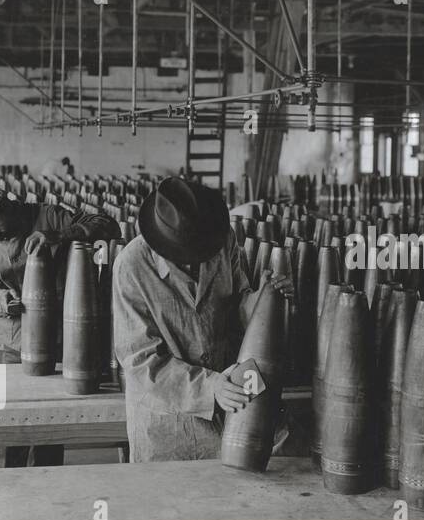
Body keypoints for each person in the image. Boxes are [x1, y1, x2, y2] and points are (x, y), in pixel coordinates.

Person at [112, 177, 294, 462]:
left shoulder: (221, 241)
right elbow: (140, 360)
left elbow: (236, 306)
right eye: (183, 255)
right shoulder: (131, 266)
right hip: (165, 424)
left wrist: (262, 300)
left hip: (228, 409)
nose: (194, 262)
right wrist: (211, 387)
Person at [0, 183, 120, 466]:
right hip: (18, 340)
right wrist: (2, 301)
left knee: (50, 423)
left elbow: (108, 225)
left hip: (62, 338)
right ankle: (13, 478)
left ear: (7, 206)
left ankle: (46, 480)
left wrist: (58, 235)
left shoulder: (49, 216)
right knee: (14, 421)